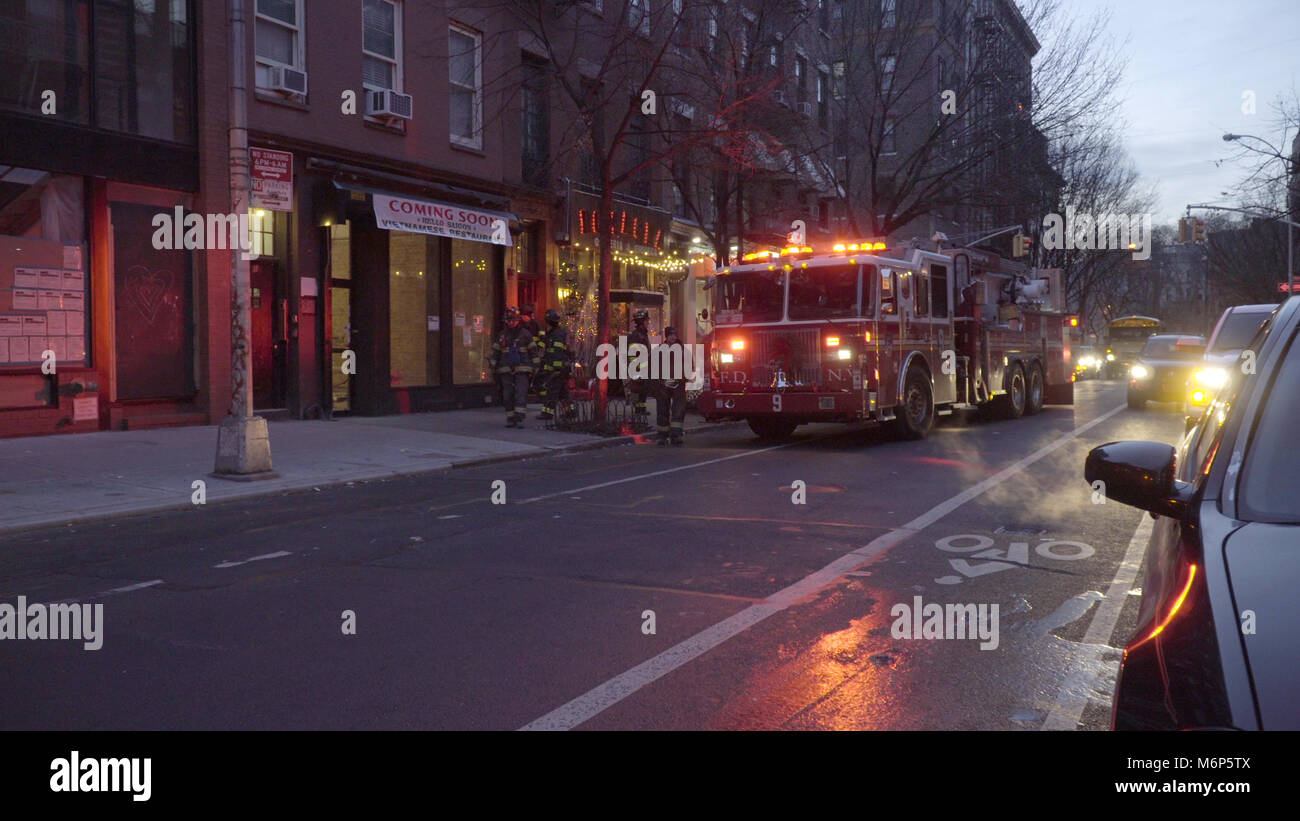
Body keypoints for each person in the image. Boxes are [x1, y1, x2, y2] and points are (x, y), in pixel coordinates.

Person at [491, 307, 539, 427]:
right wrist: (493, 365)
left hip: (522, 369)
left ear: (518, 320)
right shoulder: (502, 335)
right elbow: (496, 352)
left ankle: (519, 417)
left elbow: (533, 351)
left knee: (520, 393)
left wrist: (536, 366)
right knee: (507, 395)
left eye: (514, 320)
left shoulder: (525, 334)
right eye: (509, 320)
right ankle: (510, 417)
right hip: (505, 369)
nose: (511, 322)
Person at [536, 309, 574, 421]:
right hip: (561, 368)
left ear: (548, 321)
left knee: (551, 392)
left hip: (557, 369)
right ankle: (570, 411)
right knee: (563, 393)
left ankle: (547, 413)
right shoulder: (554, 333)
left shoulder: (556, 335)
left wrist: (556, 369)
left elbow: (557, 353)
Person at [656, 325, 688, 445]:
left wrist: (683, 378)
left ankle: (676, 434)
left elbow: (690, 365)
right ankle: (662, 436)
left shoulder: (682, 350)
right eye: (671, 335)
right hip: (663, 384)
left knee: (678, 409)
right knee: (662, 409)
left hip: (678, 384)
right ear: (667, 336)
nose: (673, 337)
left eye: (674, 335)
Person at [627, 308, 653, 418]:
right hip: (638, 367)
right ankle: (638, 409)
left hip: (644, 367)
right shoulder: (636, 335)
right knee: (639, 389)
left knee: (644, 390)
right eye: (646, 321)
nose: (648, 323)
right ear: (641, 322)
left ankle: (641, 408)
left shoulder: (643, 334)